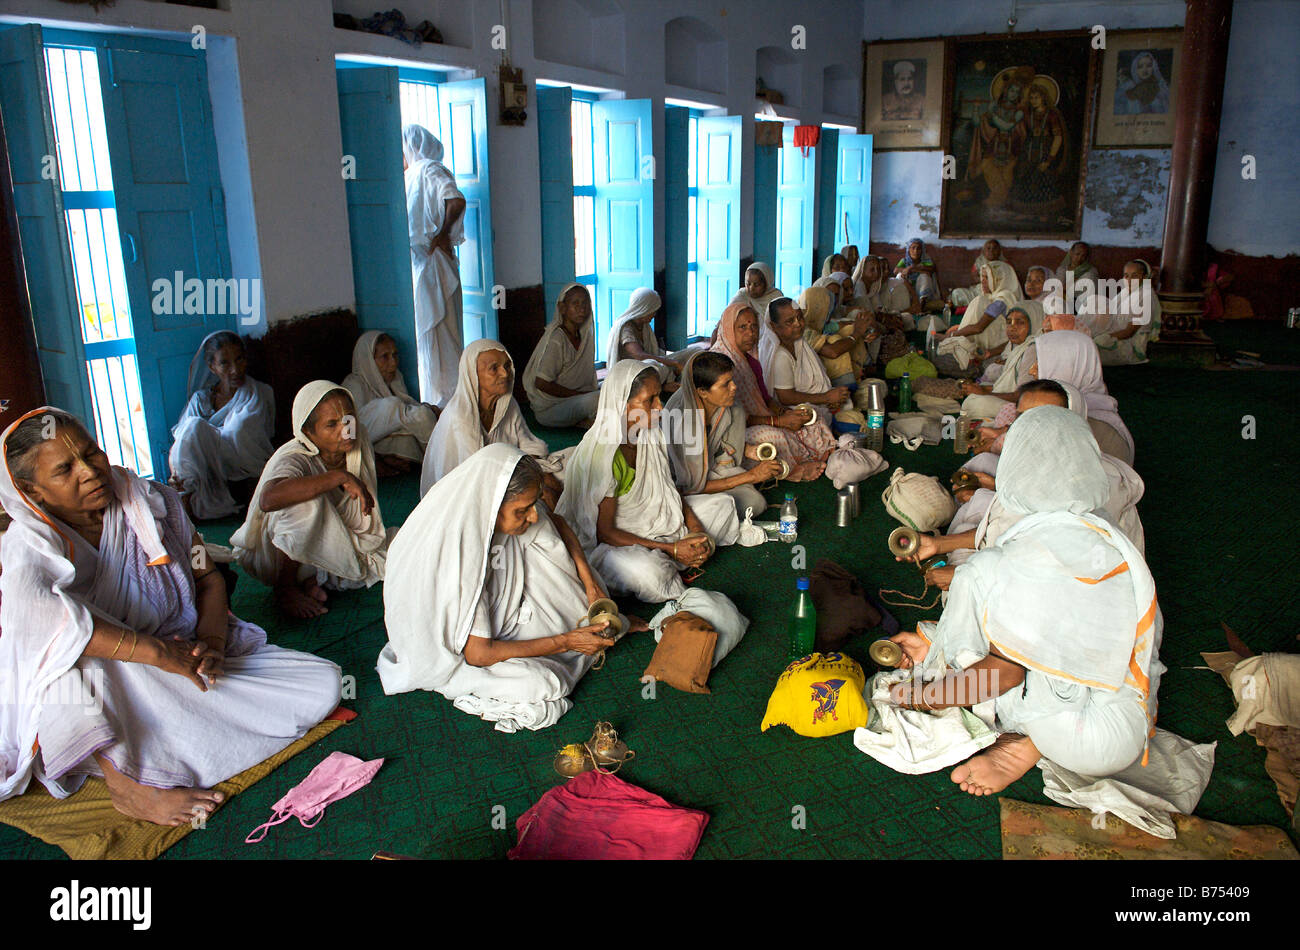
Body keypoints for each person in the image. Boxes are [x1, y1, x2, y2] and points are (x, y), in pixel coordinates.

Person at [0, 408, 341, 824]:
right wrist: (160, 654)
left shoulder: (151, 502)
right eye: (65, 469)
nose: (89, 472)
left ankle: (176, 739)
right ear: (32, 492)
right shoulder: (27, 544)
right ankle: (127, 787)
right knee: (67, 653)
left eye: (91, 454)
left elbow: (208, 579)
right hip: (111, 678)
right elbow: (45, 623)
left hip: (178, 653)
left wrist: (211, 645)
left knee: (322, 683)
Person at [886, 406, 1163, 796]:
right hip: (1132, 712)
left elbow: (1004, 674)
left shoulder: (1020, 556)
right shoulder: (1102, 530)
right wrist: (937, 642)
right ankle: (1031, 738)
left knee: (979, 603)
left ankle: (1028, 742)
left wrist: (923, 696)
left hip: (1079, 736)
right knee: (1014, 607)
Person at [378, 447, 632, 732]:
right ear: (490, 504)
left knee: (546, 534)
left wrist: (592, 586)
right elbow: (478, 654)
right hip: (466, 644)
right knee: (546, 683)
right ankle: (562, 646)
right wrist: (567, 642)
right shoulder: (463, 555)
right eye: (521, 510)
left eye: (532, 504)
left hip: (503, 615)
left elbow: (557, 521)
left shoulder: (510, 509)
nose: (533, 515)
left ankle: (569, 635)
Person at [556, 361, 739, 604]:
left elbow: (668, 491)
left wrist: (696, 530)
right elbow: (605, 532)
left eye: (659, 397)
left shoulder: (651, 434)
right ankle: (673, 558)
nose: (660, 407)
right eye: (649, 400)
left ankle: (680, 553)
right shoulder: (604, 454)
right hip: (611, 543)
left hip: (657, 521)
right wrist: (673, 548)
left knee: (724, 505)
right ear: (623, 405)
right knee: (653, 574)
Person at [231, 381, 391, 619]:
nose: (346, 430)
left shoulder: (359, 439)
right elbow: (269, 499)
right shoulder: (293, 458)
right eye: (331, 425)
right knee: (303, 501)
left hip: (337, 538)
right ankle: (286, 588)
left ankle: (314, 577)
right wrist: (338, 477)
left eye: (349, 419)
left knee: (407, 547)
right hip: (275, 556)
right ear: (308, 432)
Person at [420, 339, 561, 500]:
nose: (505, 374)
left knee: (569, 465)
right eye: (494, 368)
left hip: (509, 473)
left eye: (507, 366)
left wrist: (539, 473)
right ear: (473, 375)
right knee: (545, 496)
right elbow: (479, 474)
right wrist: (537, 483)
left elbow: (528, 444)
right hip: (469, 491)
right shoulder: (459, 416)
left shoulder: (508, 404)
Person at [710, 301, 833, 479]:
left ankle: (801, 455)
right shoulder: (719, 364)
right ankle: (795, 470)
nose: (750, 333)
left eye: (753, 327)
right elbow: (732, 421)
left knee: (810, 417)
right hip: (730, 434)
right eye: (742, 327)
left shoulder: (751, 360)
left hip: (762, 418)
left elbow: (765, 399)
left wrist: (785, 414)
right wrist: (778, 422)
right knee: (772, 438)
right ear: (728, 329)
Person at [167, 331, 275, 520]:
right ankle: (184, 495)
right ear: (212, 367)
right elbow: (182, 440)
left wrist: (206, 440)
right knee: (192, 426)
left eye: (240, 359)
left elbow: (246, 435)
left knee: (198, 427)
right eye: (225, 363)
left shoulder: (256, 394)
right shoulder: (201, 400)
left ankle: (188, 505)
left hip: (239, 460)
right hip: (201, 465)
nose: (235, 369)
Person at [662, 351, 783, 519]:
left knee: (754, 501)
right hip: (680, 485)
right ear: (703, 392)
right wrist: (752, 476)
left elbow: (721, 446)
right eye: (726, 384)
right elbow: (690, 486)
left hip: (713, 468)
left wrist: (749, 450)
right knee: (745, 504)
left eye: (732, 380)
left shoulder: (727, 406)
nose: (734, 387)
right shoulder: (684, 423)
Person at [403, 124, 466, 408]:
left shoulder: (428, 169)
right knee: (435, 334)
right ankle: (438, 401)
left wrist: (442, 232)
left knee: (443, 332)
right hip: (426, 264)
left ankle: (451, 401)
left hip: (434, 263)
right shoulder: (414, 174)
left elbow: (456, 200)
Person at [342, 331, 439, 477]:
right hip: (364, 440)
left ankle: (435, 460)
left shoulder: (395, 378)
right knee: (397, 406)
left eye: (395, 355)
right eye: (384, 357)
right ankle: (439, 458)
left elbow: (408, 410)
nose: (393, 362)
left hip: (388, 437)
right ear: (368, 359)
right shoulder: (354, 384)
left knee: (410, 436)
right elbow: (349, 431)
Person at [1033, 329, 1135, 464]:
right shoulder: (1074, 411)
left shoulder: (1088, 427)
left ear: (1068, 367)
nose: (1032, 370)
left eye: (1041, 364)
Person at [759, 298, 853, 432]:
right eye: (789, 321)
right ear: (774, 326)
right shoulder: (780, 356)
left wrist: (830, 398)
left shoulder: (799, 343)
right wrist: (826, 397)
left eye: (799, 317)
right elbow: (786, 397)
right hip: (792, 410)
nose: (798, 324)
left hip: (818, 402)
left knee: (848, 406)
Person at [522, 283, 599, 428]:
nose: (581, 308)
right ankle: (585, 421)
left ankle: (581, 421)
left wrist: (582, 394)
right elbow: (542, 383)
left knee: (610, 387)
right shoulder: (557, 339)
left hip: (573, 402)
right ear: (562, 308)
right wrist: (578, 394)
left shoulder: (583, 336)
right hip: (551, 410)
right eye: (575, 303)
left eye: (585, 303)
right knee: (599, 398)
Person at [934, 259, 1022, 378]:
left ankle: (975, 365)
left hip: (997, 348)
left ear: (999, 279)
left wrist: (950, 336)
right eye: (982, 277)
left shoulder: (1002, 300)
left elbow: (979, 328)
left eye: (987, 278)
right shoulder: (996, 297)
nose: (983, 281)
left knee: (941, 360)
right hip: (990, 348)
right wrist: (959, 329)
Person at [957, 306, 1037, 419]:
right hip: (1012, 396)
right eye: (1009, 322)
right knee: (974, 396)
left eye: (1020, 323)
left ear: (1034, 323)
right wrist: (981, 389)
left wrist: (985, 392)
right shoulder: (1018, 346)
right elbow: (1007, 385)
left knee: (974, 404)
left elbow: (1022, 395)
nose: (1012, 328)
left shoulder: (1032, 349)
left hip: (1022, 404)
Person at [605, 288, 694, 384]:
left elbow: (654, 353)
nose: (654, 314)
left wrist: (669, 361)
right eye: (653, 310)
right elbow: (640, 356)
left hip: (647, 365)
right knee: (658, 367)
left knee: (693, 351)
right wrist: (672, 363)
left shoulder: (644, 325)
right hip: (631, 372)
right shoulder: (626, 328)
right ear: (644, 308)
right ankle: (668, 384)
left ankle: (675, 379)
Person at [801, 285, 875, 385]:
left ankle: (864, 368)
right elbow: (832, 352)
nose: (829, 315)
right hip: (813, 382)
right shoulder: (802, 330)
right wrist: (857, 333)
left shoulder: (819, 325)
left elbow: (843, 325)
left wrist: (864, 328)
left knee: (848, 330)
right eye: (827, 310)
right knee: (836, 339)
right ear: (818, 308)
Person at [1094, 260, 1162, 365]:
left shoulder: (1146, 298)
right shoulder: (1125, 292)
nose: (1129, 280)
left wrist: (1104, 338)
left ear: (1144, 277)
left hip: (1126, 346)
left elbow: (1129, 332)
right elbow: (1108, 313)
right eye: (1126, 276)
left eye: (1134, 276)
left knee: (1082, 354)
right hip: (1111, 335)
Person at [854, 254, 915, 325]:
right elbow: (868, 314)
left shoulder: (874, 286)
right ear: (863, 271)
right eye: (872, 269)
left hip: (874, 318)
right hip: (863, 321)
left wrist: (889, 317)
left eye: (878, 269)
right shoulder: (859, 286)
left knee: (906, 317)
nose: (876, 272)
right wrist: (886, 320)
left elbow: (878, 308)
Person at [949, 239, 1003, 308]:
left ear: (999, 251)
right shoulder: (979, 262)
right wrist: (984, 280)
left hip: (995, 292)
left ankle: (978, 306)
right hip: (979, 290)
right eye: (988, 248)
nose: (991, 251)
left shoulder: (1005, 265)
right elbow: (974, 277)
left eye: (994, 248)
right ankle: (973, 307)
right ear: (984, 251)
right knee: (956, 293)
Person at [1115, 50, 1171, 115]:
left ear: (1153, 67)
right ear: (1135, 69)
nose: (1145, 69)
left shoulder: (1161, 87)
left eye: (1149, 65)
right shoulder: (1128, 87)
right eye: (1140, 66)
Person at [894, 238, 940, 311]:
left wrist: (912, 268)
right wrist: (907, 269)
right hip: (908, 291)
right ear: (908, 249)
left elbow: (931, 269)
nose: (915, 251)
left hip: (920, 291)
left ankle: (921, 305)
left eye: (918, 249)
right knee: (900, 276)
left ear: (922, 251)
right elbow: (896, 270)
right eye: (913, 248)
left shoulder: (926, 261)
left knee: (925, 276)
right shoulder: (904, 261)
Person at [1054, 241, 1100, 314]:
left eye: (1083, 256)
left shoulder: (1091, 271)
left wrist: (1067, 286)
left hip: (1083, 305)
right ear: (1071, 253)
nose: (1079, 258)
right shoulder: (1062, 269)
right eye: (1077, 254)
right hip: (1065, 304)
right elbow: (1057, 288)